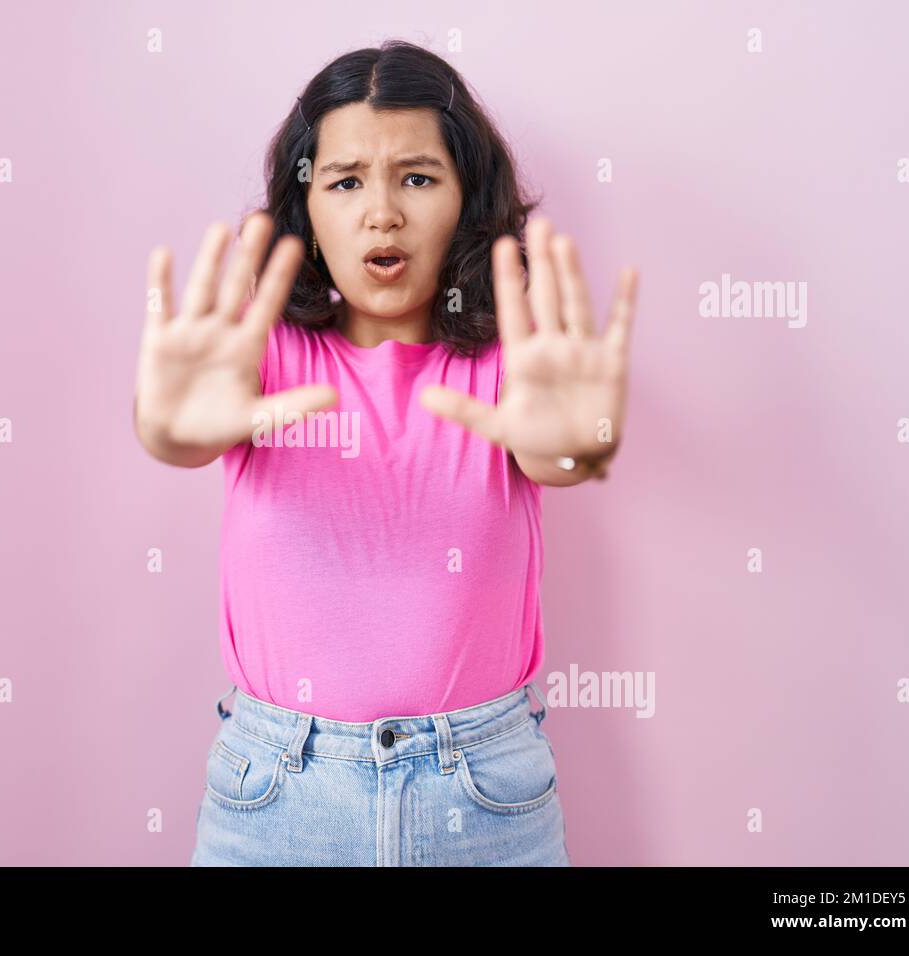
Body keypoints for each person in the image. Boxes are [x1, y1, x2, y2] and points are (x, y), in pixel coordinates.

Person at [134, 40, 638, 866]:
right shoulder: (260, 356)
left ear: (467, 199)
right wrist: (167, 426)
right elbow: (183, 434)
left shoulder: (514, 361)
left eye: (417, 177)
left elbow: (561, 453)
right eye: (345, 181)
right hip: (277, 797)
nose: (382, 212)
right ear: (306, 209)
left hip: (485, 795)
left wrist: (584, 442)